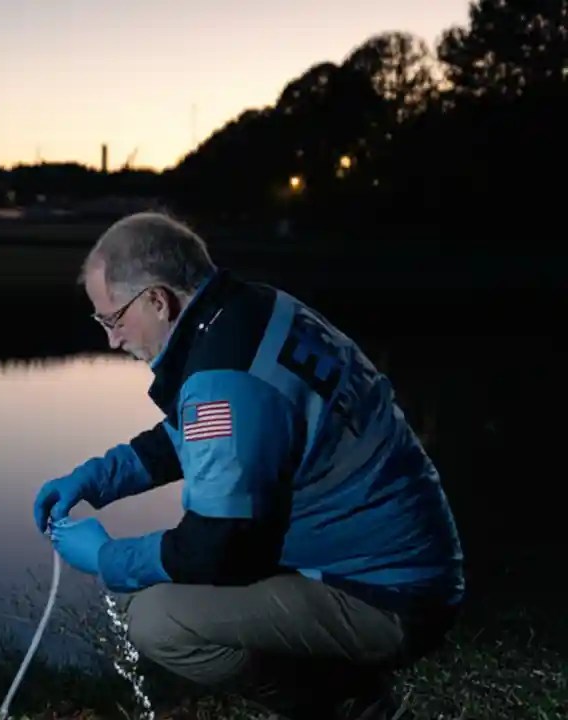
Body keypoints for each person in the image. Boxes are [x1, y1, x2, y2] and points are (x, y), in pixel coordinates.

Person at [32, 212, 464, 719]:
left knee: (155, 617)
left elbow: (215, 550)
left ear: (157, 300)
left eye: (113, 319)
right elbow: (194, 435)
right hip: (413, 568)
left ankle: (347, 704)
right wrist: (97, 478)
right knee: (158, 584)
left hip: (386, 597)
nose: (112, 339)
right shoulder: (252, 309)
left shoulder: (222, 379)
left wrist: (107, 558)